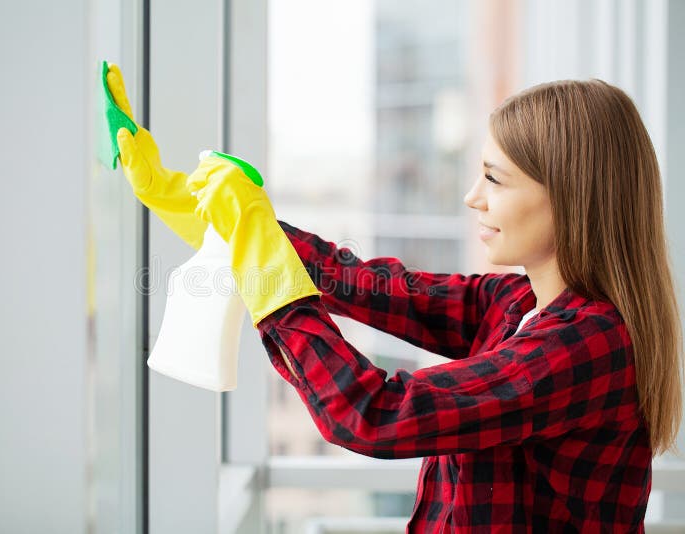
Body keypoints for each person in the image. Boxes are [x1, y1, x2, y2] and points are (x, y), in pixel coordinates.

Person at [106, 64, 683, 532]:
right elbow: (367, 283)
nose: (471, 197)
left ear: (572, 198)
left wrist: (264, 266)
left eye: (495, 179)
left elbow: (374, 415)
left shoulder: (586, 346)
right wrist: (205, 210)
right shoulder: (515, 303)